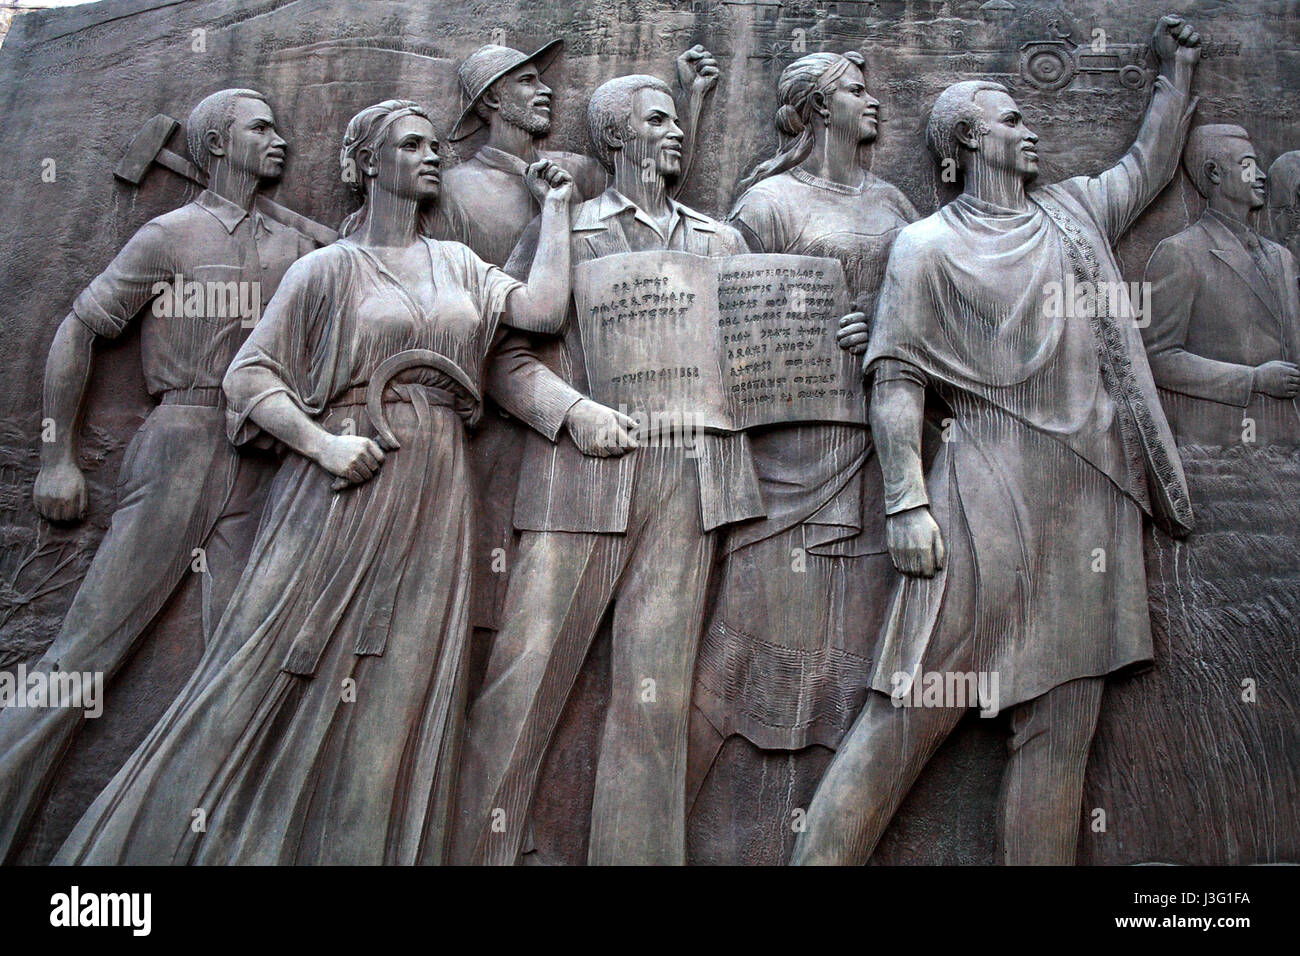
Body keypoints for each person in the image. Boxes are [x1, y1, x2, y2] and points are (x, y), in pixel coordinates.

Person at [54, 99, 575, 864]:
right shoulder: (325, 267)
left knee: (406, 672)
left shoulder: (458, 263)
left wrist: (556, 211)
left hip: (438, 483)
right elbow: (249, 377)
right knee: (275, 660)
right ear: (367, 163)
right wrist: (325, 446)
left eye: (436, 145)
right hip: (343, 481)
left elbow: (543, 308)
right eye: (411, 144)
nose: (431, 155)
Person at [795, 14, 1201, 866]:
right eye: (1013, 118)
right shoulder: (926, 249)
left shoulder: (1074, 215)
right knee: (910, 707)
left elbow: (1149, 166)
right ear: (969, 139)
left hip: (1091, 498)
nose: (1032, 128)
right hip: (982, 493)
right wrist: (906, 502)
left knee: (1060, 731)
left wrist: (1177, 75)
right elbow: (897, 380)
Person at [0, 89, 315, 863]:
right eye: (262, 129)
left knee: (246, 656)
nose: (282, 141)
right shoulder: (169, 234)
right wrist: (55, 456)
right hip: (181, 438)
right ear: (216, 143)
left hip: (267, 453)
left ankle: (190, 841)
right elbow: (81, 327)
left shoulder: (298, 246)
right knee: (82, 656)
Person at [455, 74, 762, 866]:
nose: (676, 133)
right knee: (521, 689)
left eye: (676, 120)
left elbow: (758, 360)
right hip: (579, 479)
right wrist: (574, 413)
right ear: (617, 138)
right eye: (657, 120)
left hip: (689, 481)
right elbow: (502, 355)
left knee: (652, 705)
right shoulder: (572, 229)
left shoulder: (721, 242)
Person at [688, 51, 918, 812]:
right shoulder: (767, 205)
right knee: (741, 646)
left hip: (875, 445)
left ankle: (821, 820)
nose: (873, 102)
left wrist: (883, 323)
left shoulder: (893, 204)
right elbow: (722, 322)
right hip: (789, 454)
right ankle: (667, 806)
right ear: (819, 109)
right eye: (857, 92)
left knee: (854, 647)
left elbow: (927, 301)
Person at [1143, 125, 1300, 447]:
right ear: (1214, 173)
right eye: (1247, 165)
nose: (1260, 175)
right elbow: (1158, 358)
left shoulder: (1281, 258)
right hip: (1222, 444)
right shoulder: (1180, 253)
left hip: (1288, 437)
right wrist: (1252, 379)